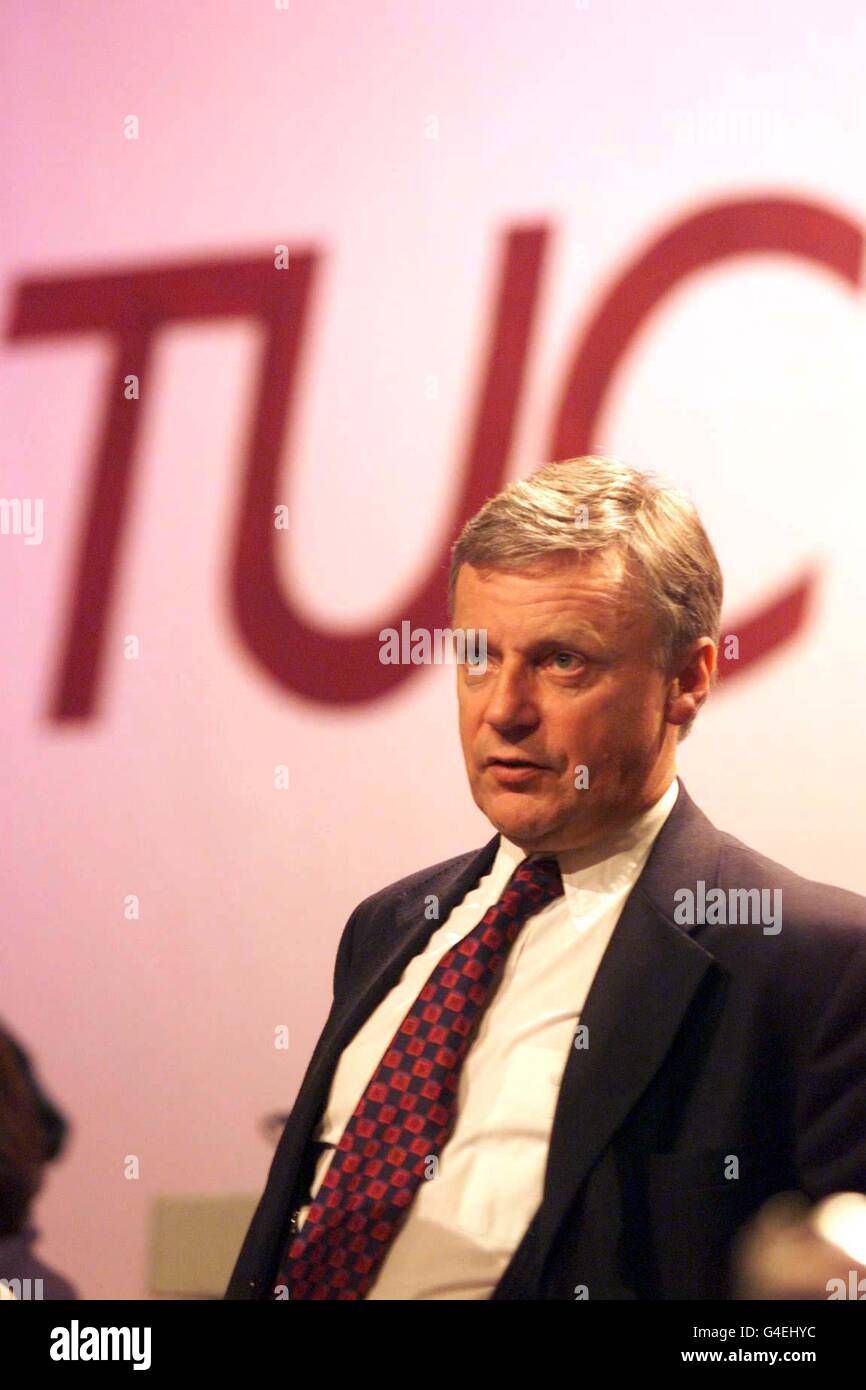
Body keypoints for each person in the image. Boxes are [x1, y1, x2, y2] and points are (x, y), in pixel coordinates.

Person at [225, 454, 866, 1300]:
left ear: (689, 680)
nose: (503, 708)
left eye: (563, 662)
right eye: (479, 657)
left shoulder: (812, 959)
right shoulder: (385, 928)